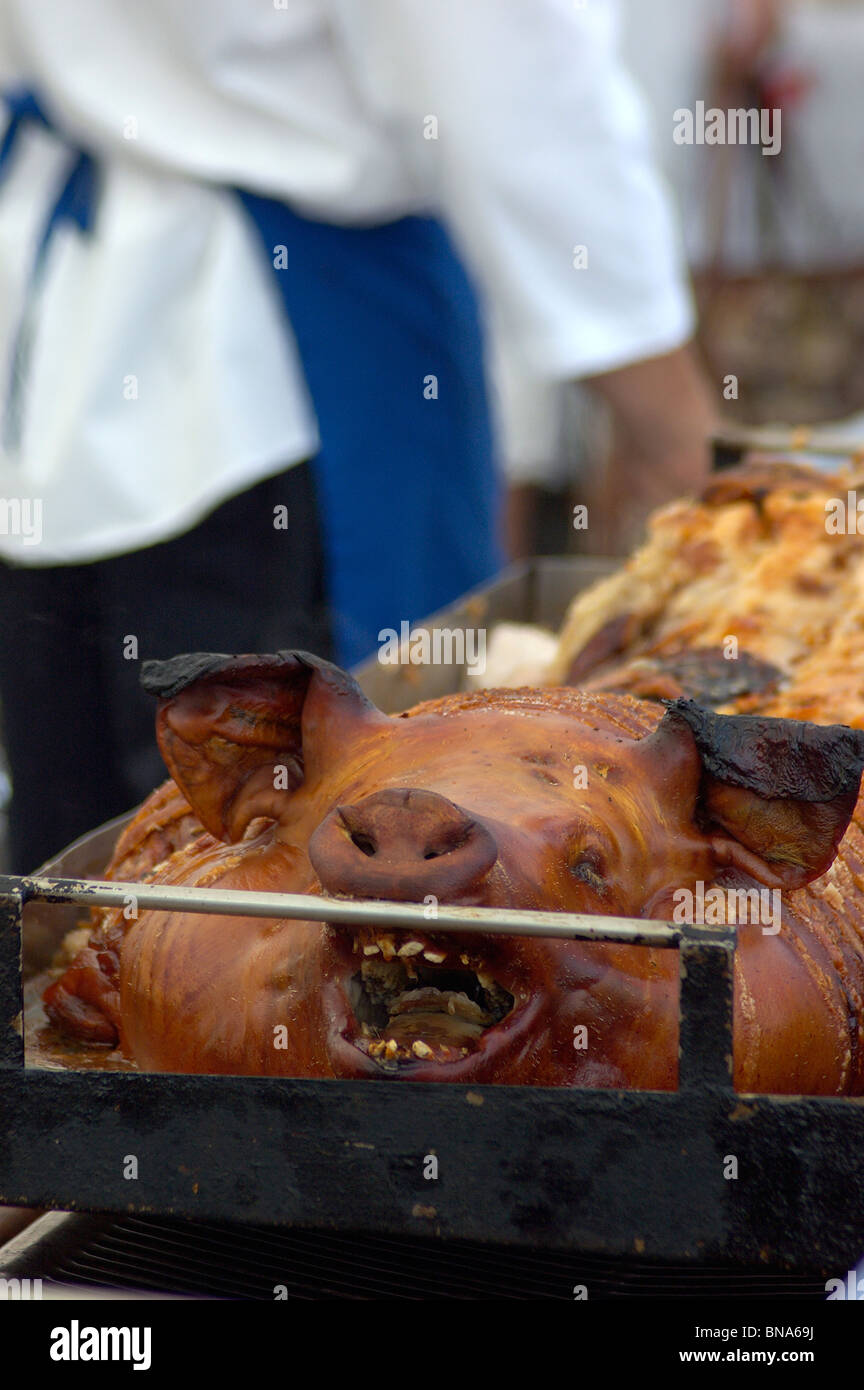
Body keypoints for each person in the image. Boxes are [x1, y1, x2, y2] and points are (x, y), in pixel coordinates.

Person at [0, 0, 713, 870]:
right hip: (266, 373)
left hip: (58, 343)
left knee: (81, 875)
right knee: (312, 871)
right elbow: (509, 89)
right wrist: (676, 425)